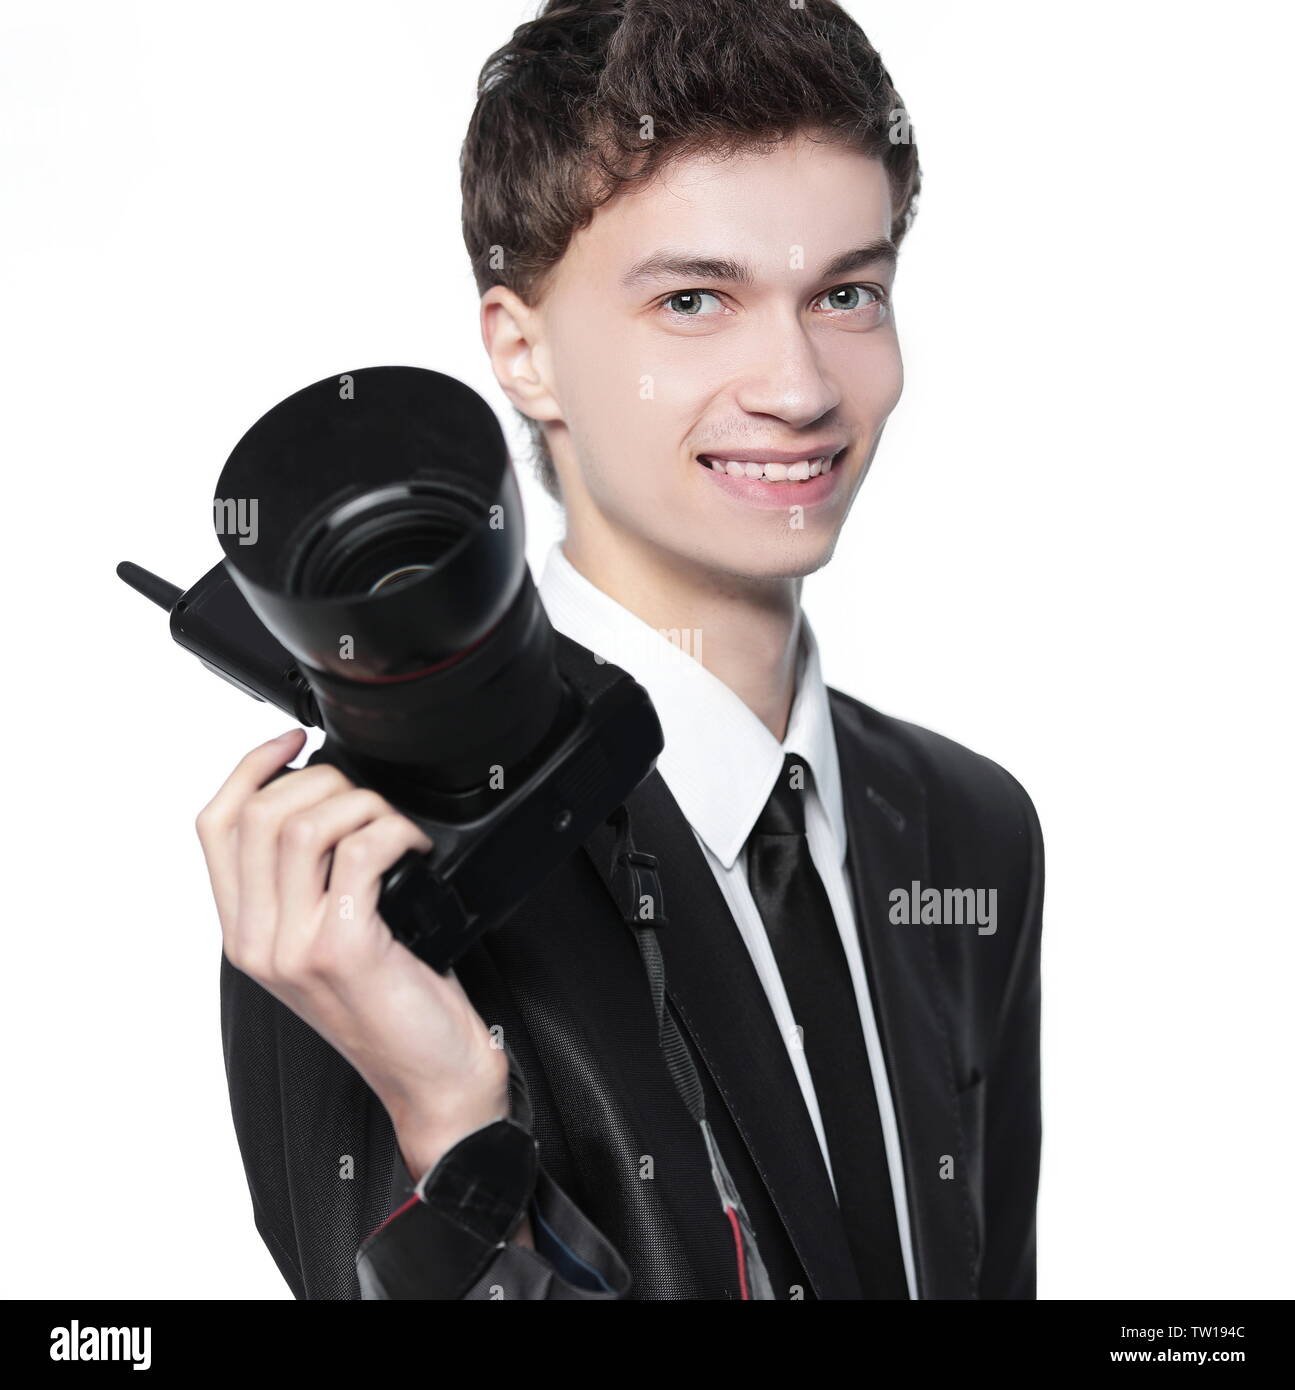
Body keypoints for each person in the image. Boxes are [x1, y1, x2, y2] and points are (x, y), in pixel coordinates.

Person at [198, 0, 1044, 1300]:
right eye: (696, 299)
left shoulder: (970, 828)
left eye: (848, 293)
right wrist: (451, 1128)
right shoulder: (360, 879)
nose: (800, 383)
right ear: (522, 353)